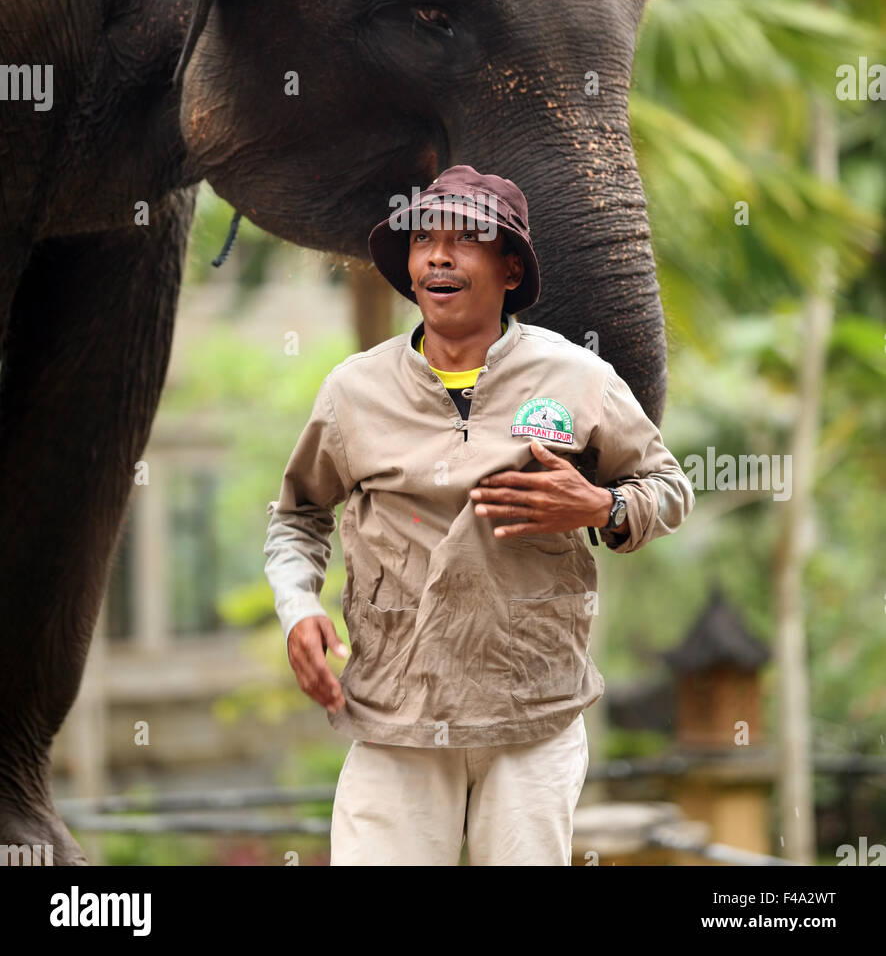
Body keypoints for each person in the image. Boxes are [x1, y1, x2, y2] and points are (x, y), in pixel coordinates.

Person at [263, 165, 694, 865]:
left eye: (464, 240)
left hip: (532, 715)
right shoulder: (354, 392)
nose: (437, 255)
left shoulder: (576, 378)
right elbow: (297, 516)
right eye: (422, 241)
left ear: (510, 267)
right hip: (394, 719)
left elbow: (669, 486)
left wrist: (602, 505)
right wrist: (296, 607)